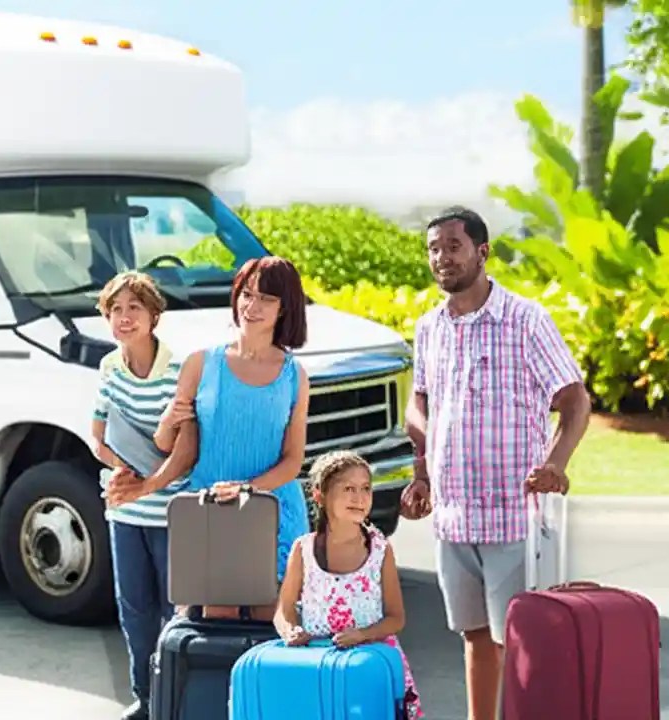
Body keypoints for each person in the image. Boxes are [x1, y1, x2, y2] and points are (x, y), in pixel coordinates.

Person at [399, 206, 591, 720]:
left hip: (513, 515)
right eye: (434, 249)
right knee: (476, 639)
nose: (442, 258)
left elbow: (575, 400)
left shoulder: (527, 320)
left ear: (483, 252)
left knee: (525, 644)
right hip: (453, 518)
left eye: (453, 247)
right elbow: (419, 402)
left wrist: (555, 462)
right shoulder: (429, 328)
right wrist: (422, 471)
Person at [158, 255, 311, 616]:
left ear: (285, 309)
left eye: (266, 299)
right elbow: (171, 447)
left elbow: (293, 461)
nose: (252, 306)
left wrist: (249, 489)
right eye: (246, 293)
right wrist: (166, 422)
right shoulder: (200, 364)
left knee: (271, 627)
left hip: (273, 509)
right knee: (215, 624)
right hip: (210, 507)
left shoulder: (295, 376)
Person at [89, 271, 199, 720]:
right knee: (134, 610)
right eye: (116, 309)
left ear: (154, 315)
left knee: (178, 611)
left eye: (134, 307)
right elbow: (97, 435)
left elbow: (186, 449)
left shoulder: (179, 368)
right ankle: (147, 697)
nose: (124, 317)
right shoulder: (109, 366)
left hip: (172, 511)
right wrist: (121, 473)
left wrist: (146, 483)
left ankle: (180, 697)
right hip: (125, 511)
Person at [274, 450, 423, 719]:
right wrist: (290, 630)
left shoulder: (379, 550)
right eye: (349, 489)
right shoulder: (303, 550)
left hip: (372, 667)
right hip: (320, 667)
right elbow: (283, 610)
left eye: (366, 489)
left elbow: (396, 619)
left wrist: (362, 635)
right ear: (319, 495)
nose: (360, 498)